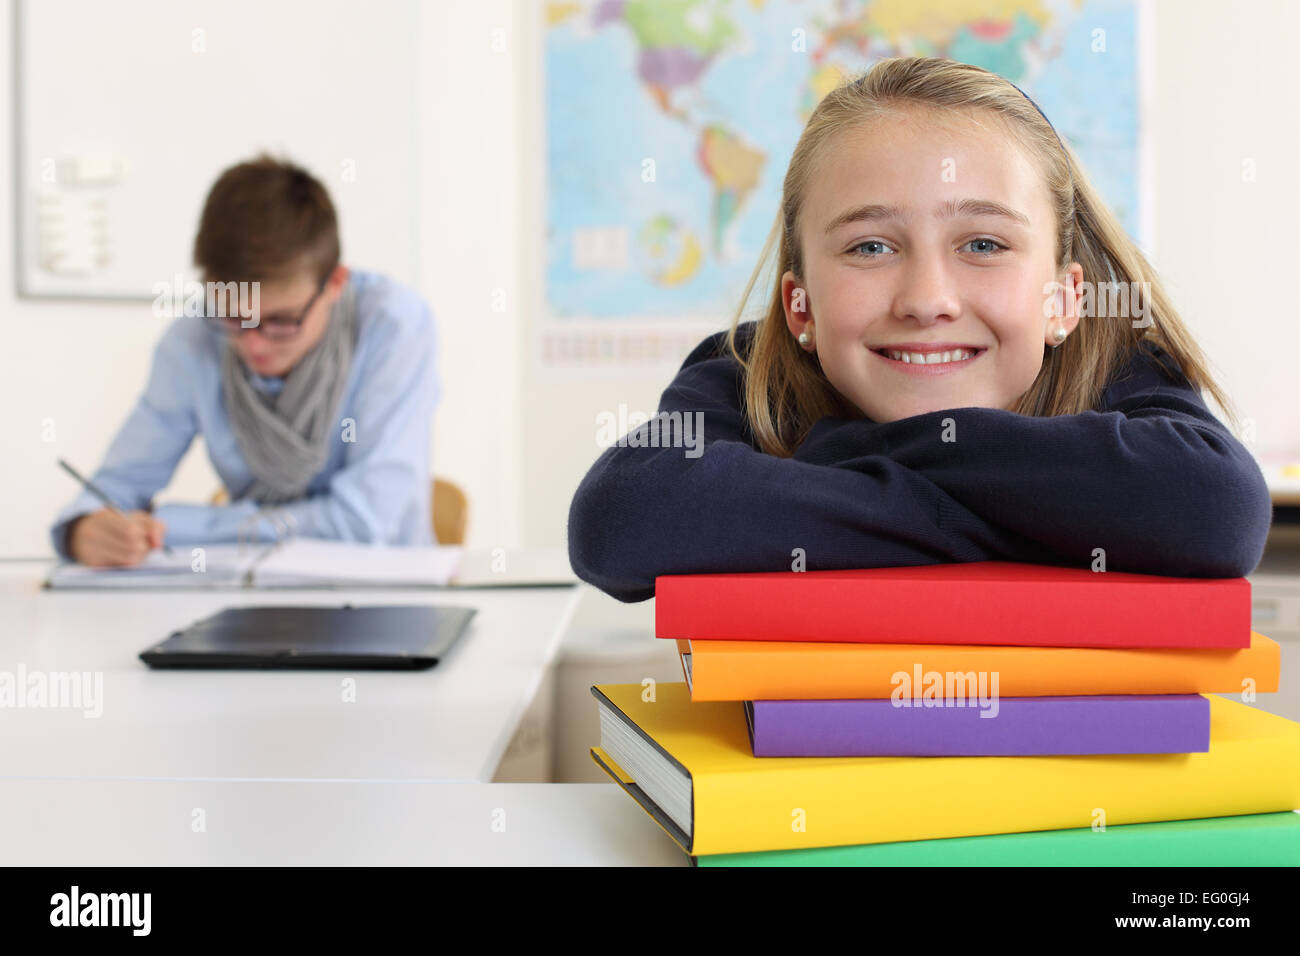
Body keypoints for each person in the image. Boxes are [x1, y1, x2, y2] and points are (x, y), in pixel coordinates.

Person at [567, 56, 1271, 603]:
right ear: (799, 307)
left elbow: (1216, 508)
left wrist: (837, 454)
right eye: (871, 246)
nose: (927, 300)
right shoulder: (748, 374)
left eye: (984, 245)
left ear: (1063, 301)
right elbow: (620, 520)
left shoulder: (1118, 367)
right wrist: (1034, 520)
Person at [53, 154, 440, 566]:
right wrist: (85, 530)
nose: (253, 345)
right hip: (250, 592)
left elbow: (367, 520)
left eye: (280, 321)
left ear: (335, 284)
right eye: (234, 317)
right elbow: (111, 490)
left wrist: (179, 525)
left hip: (386, 594)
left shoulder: (394, 326)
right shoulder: (196, 338)